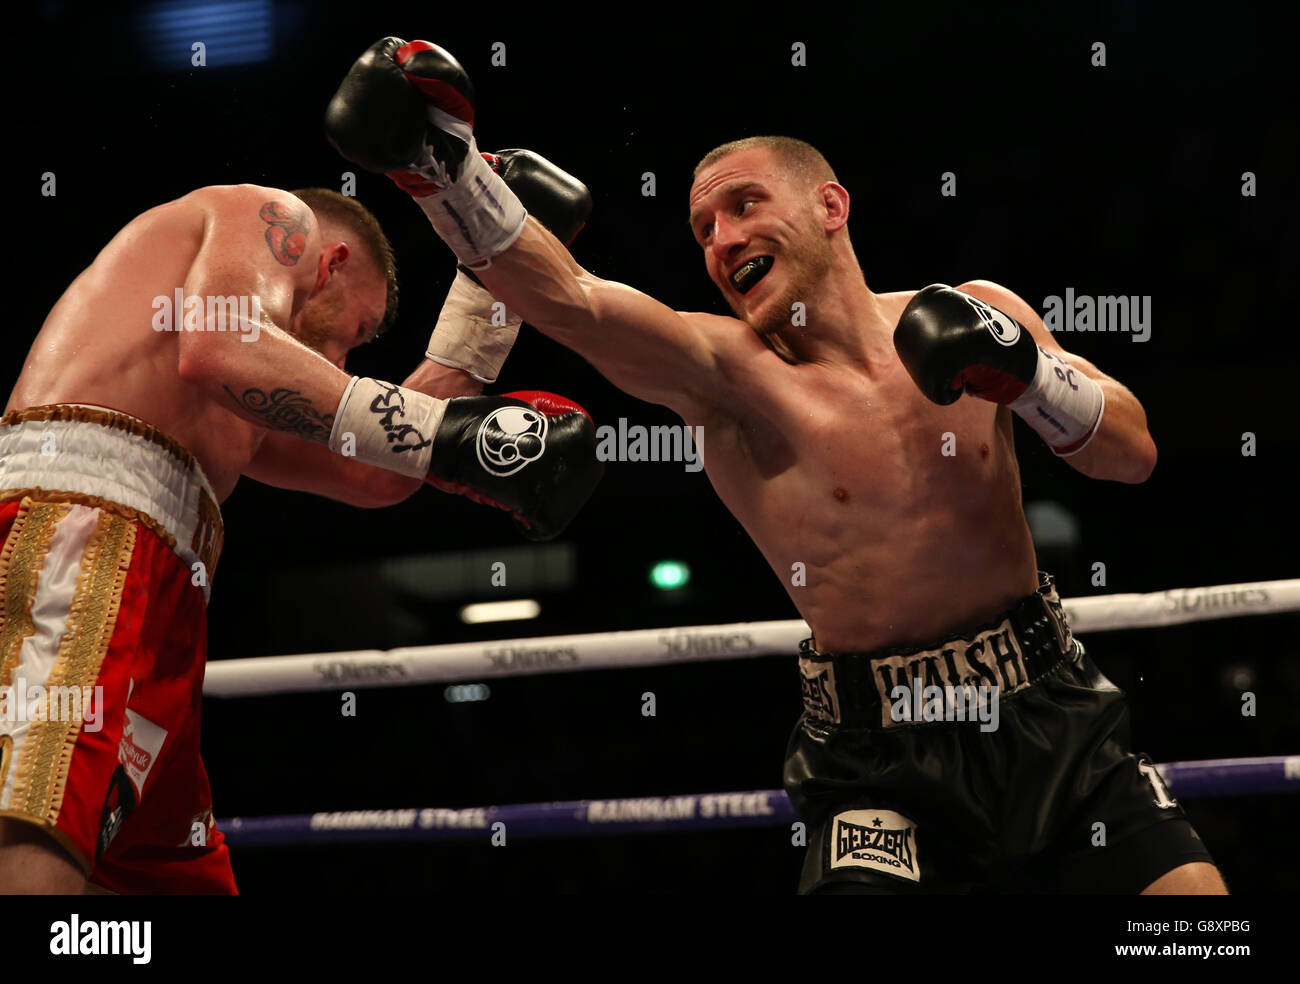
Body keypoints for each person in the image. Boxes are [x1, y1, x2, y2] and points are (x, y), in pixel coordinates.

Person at [324, 37, 1227, 894]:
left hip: (1054, 713)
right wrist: (444, 171)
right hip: (879, 757)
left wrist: (1033, 376)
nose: (719, 238)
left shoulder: (978, 310)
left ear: (830, 207)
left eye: (744, 205)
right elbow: (574, 301)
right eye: (702, 227)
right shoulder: (728, 377)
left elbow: (1134, 454)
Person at [0, 165, 600, 893]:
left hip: (167, 584)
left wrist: (496, 278)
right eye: (358, 332)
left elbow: (380, 470)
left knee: (157, 873)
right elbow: (224, 348)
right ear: (332, 264)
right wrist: (444, 437)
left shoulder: (243, 404)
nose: (346, 362)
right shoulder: (269, 215)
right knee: (42, 803)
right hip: (81, 523)